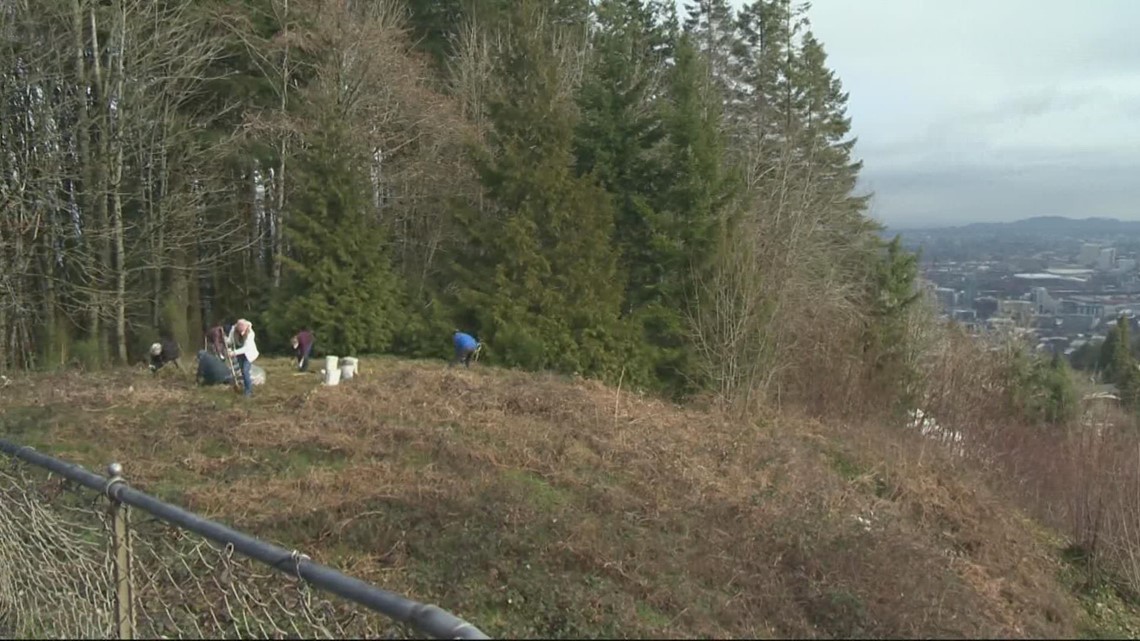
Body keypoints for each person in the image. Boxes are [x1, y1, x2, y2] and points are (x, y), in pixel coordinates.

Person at [226, 319, 259, 397]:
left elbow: (246, 348)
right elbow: (230, 340)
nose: (241, 332)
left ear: (245, 327)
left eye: (242, 330)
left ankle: (248, 391)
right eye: (239, 329)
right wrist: (226, 342)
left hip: (248, 354)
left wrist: (234, 353)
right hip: (239, 354)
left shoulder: (250, 333)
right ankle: (244, 387)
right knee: (242, 371)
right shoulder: (233, 330)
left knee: (245, 371)